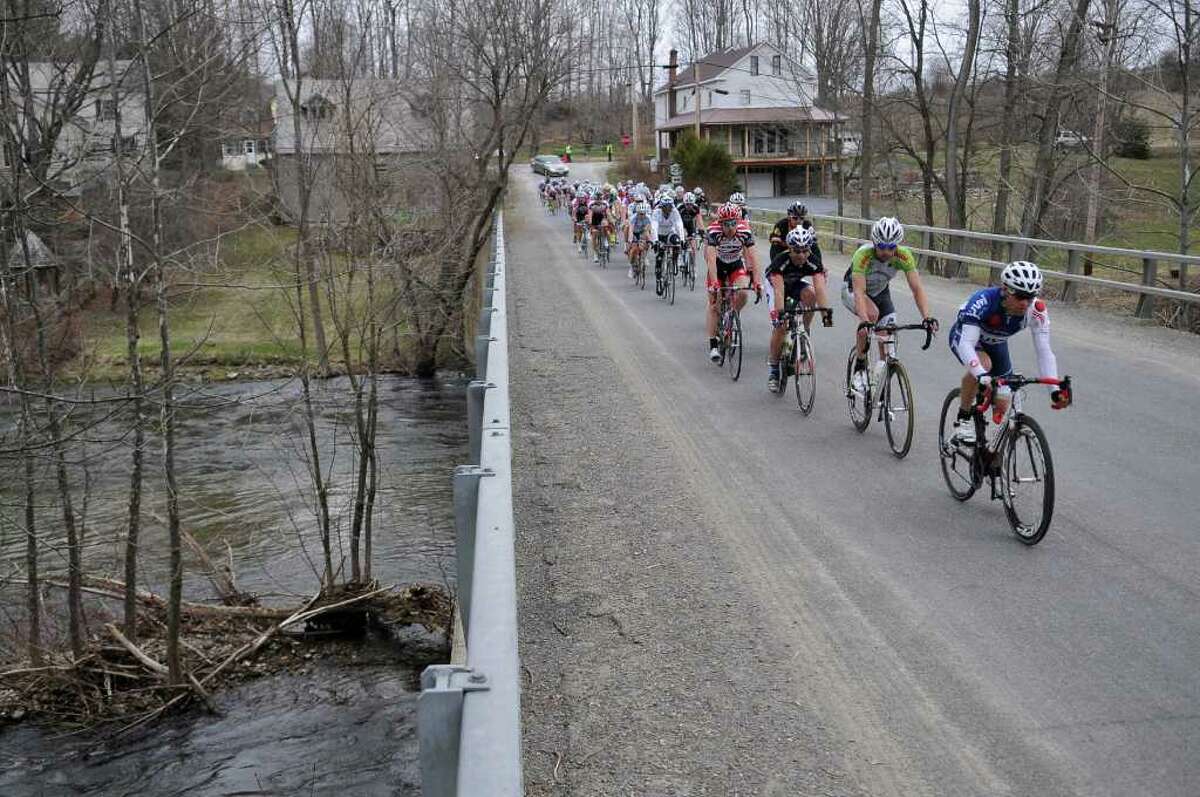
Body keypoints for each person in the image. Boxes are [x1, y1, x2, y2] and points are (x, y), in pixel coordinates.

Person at [948, 261, 1070, 443]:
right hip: (967, 339)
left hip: (997, 344)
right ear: (1005, 290)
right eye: (1020, 296)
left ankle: (989, 454)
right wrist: (981, 374)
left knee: (1004, 400)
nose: (1025, 303)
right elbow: (966, 343)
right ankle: (963, 419)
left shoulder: (1036, 311)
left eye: (1030, 297)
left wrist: (1054, 389)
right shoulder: (983, 301)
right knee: (984, 366)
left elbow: (1045, 353)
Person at [841, 217, 938, 393]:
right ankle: (860, 367)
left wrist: (927, 318)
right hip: (853, 290)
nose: (886, 252)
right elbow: (859, 292)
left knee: (888, 339)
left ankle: (880, 394)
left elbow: (917, 289)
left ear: (897, 245)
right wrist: (864, 321)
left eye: (891, 247)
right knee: (870, 315)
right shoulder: (863, 255)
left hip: (880, 292)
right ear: (874, 243)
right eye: (882, 247)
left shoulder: (904, 255)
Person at [764, 227, 831, 392]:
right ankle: (773, 369)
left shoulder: (813, 261)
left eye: (805, 251)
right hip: (775, 286)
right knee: (780, 326)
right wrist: (781, 313)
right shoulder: (781, 261)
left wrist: (826, 314)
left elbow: (820, 289)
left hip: (794, 284)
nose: (801, 255)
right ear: (789, 249)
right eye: (796, 251)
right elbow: (779, 292)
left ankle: (804, 330)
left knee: (811, 295)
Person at [705, 202, 762, 362]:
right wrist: (715, 283)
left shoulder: (745, 231)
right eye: (725, 224)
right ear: (720, 223)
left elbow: (753, 257)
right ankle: (713, 345)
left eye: (733, 223)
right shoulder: (713, 232)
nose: (729, 228)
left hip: (735, 264)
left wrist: (757, 282)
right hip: (718, 264)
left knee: (743, 292)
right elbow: (710, 259)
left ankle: (732, 315)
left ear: (738, 221)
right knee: (714, 304)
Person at [650, 196, 687, 295]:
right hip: (659, 235)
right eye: (665, 207)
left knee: (677, 243)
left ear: (672, 207)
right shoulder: (656, 213)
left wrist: (682, 239)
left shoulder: (674, 212)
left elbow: (679, 225)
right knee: (659, 256)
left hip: (670, 233)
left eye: (669, 207)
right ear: (661, 207)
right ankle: (658, 280)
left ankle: (674, 261)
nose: (667, 210)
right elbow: (654, 227)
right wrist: (656, 241)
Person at [768, 202, 822, 266]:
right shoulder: (781, 224)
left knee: (813, 245)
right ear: (789, 217)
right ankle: (775, 266)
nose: (798, 221)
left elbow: (814, 245)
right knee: (775, 244)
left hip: (801, 251)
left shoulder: (807, 225)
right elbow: (773, 239)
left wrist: (819, 265)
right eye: (795, 218)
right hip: (784, 249)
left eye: (802, 218)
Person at [626, 201, 654, 279]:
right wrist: (630, 239)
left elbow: (648, 230)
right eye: (640, 214)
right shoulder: (633, 218)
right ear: (637, 213)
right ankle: (631, 267)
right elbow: (631, 229)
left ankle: (644, 257)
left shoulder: (648, 218)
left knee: (647, 244)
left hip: (642, 232)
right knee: (633, 249)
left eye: (644, 213)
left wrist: (650, 240)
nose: (642, 215)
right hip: (634, 233)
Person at [588, 190, 612, 263]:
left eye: (600, 199)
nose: (599, 200)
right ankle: (595, 253)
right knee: (594, 235)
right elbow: (590, 214)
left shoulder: (605, 203)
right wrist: (590, 222)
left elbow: (608, 213)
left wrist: (611, 220)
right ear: (595, 199)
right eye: (597, 199)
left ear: (602, 198)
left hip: (602, 218)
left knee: (605, 226)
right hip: (594, 219)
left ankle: (606, 241)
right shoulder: (591, 204)